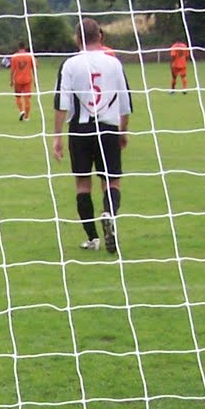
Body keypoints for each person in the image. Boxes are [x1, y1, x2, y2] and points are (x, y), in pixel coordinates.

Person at [51, 18, 132, 254]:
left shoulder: (70, 64)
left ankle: (93, 237)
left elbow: (61, 102)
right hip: (107, 128)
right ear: (101, 36)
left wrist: (57, 136)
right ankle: (109, 213)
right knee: (111, 181)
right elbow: (125, 102)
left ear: (77, 39)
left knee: (82, 183)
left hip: (80, 130)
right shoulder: (114, 63)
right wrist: (123, 131)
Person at [9, 41, 36, 121]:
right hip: (27, 79)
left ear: (18, 48)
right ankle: (27, 116)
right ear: (25, 47)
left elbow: (12, 70)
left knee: (18, 97)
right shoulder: (29, 56)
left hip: (18, 80)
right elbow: (34, 68)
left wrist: (11, 80)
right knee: (27, 98)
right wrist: (35, 80)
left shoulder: (14, 57)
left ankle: (21, 111)